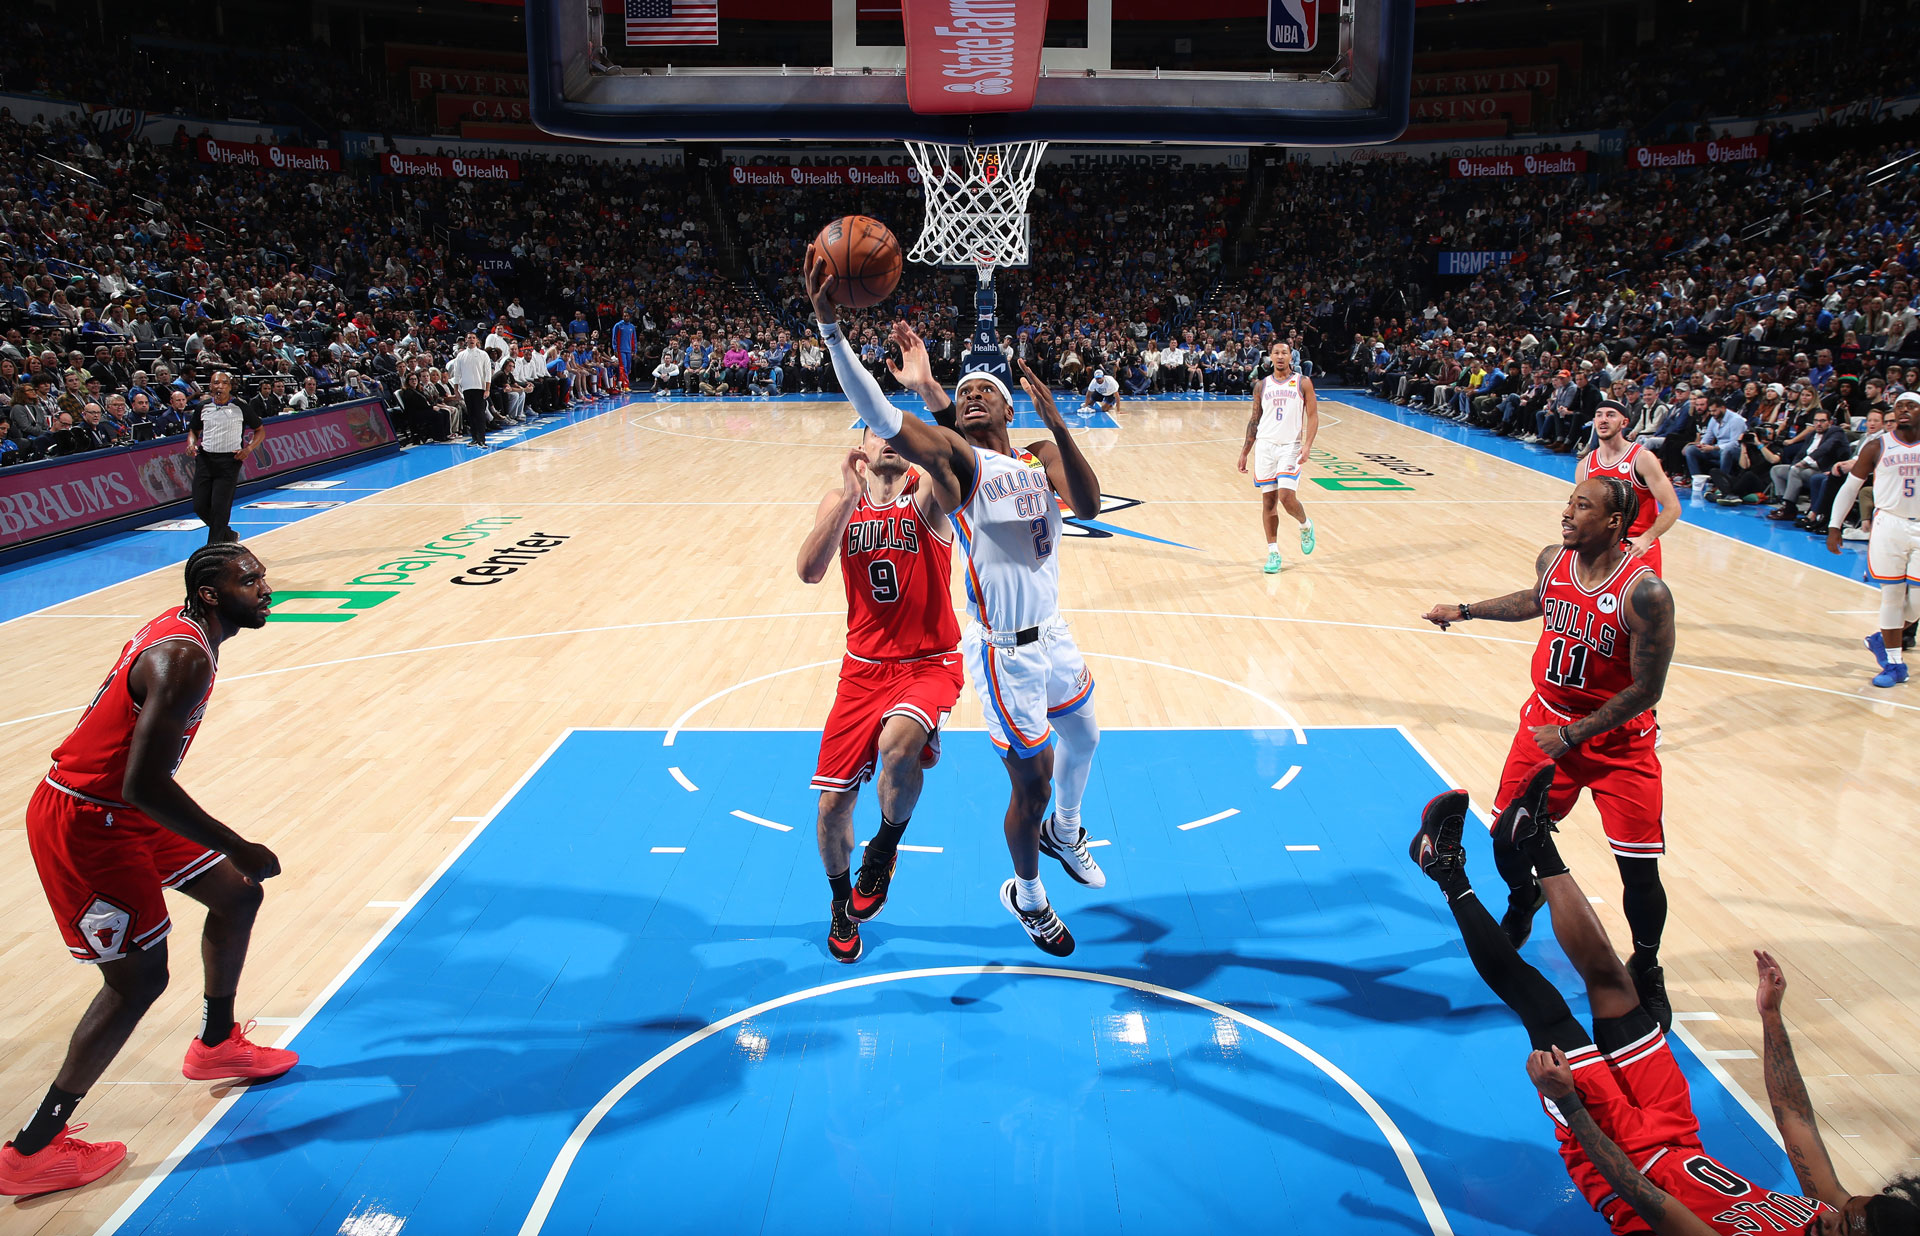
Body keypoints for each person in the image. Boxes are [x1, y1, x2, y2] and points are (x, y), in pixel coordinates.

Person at [1408, 772, 1915, 1236]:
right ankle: (1534, 839)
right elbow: (1794, 1115)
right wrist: (1771, 1018)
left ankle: (1444, 868)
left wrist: (1568, 1103)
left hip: (1619, 1161)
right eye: (1852, 1206)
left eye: (1846, 1221)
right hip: (1677, 1135)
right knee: (1611, 979)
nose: (1836, 1210)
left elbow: (1640, 1194)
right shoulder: (1835, 1208)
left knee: (1541, 1005)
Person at [806, 247, 1105, 957]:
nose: (973, 395)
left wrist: (1060, 422)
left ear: (1006, 404)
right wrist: (831, 331)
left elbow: (1090, 505)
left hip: (1054, 633)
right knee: (1027, 786)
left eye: (985, 389)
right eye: (962, 391)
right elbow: (878, 413)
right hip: (1003, 655)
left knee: (1087, 737)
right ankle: (1027, 896)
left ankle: (1067, 831)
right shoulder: (960, 464)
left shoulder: (1037, 456)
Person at [0, 545, 295, 1198]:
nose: (266, 589)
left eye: (264, 577)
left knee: (235, 897)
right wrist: (237, 841)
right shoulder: (184, 656)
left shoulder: (192, 632)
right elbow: (143, 783)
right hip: (87, 822)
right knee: (137, 982)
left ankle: (216, 1044)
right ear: (212, 595)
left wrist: (232, 859)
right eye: (250, 581)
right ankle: (33, 1148)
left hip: (121, 808)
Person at [1421, 475, 1678, 1029]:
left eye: (1581, 506)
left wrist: (1573, 735)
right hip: (1545, 722)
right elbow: (1536, 601)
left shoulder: (1644, 592)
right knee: (1505, 839)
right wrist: (1464, 609)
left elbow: (1647, 689)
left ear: (1614, 522)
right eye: (1568, 502)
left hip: (1616, 742)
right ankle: (1526, 896)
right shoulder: (1553, 559)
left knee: (1638, 869)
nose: (1567, 513)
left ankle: (1648, 965)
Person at [795, 428, 962, 963]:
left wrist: (925, 394)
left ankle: (884, 847)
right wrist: (846, 497)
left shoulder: (927, 490)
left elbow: (951, 456)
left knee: (897, 743)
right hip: (862, 670)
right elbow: (808, 572)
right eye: (874, 431)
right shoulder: (840, 501)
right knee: (830, 808)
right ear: (860, 452)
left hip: (928, 661)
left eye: (895, 428)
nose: (888, 437)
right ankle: (841, 905)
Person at [1828, 391, 1920, 688]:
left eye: (1911, 406)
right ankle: (1894, 664)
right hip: (1889, 524)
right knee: (1892, 596)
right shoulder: (1877, 446)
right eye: (1899, 406)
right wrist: (1834, 525)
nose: (1904, 410)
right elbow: (1850, 487)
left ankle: (1881, 639)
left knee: (1917, 601)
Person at [1237, 340, 1319, 574]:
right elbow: (1254, 420)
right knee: (1269, 502)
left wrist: (1308, 445)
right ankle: (1273, 552)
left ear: (1291, 357)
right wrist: (1245, 452)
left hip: (1290, 447)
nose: (1280, 356)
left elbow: (1312, 416)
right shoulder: (1261, 386)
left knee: (1286, 496)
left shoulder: (1303, 382)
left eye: (1284, 353)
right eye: (1276, 353)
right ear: (1270, 357)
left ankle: (1304, 525)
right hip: (1265, 446)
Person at [1576, 400, 1681, 574]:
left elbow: (1673, 507)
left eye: (1610, 415)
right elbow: (1582, 513)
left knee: (1643, 601)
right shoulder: (1585, 466)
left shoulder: (1642, 458)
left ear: (1624, 422)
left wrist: (1647, 538)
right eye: (1599, 415)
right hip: (1601, 551)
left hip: (1637, 549)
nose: (1603, 420)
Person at [185, 372, 263, 545]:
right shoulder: (203, 407)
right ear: (211, 386)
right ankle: (228, 535)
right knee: (199, 506)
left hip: (229, 460)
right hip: (205, 459)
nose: (220, 386)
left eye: (224, 383)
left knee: (220, 507)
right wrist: (191, 444)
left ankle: (214, 547)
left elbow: (260, 430)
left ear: (230, 386)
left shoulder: (241, 407)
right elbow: (194, 430)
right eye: (216, 383)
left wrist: (249, 448)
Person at [448, 333, 493, 447]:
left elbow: (487, 373)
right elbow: (457, 374)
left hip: (479, 388)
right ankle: (474, 438)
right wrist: (456, 390)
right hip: (467, 388)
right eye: (469, 338)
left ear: (477, 340)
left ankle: (481, 439)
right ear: (466, 340)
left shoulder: (483, 354)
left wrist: (487, 389)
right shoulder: (461, 355)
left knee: (480, 415)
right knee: (471, 414)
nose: (471, 340)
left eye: (473, 338)